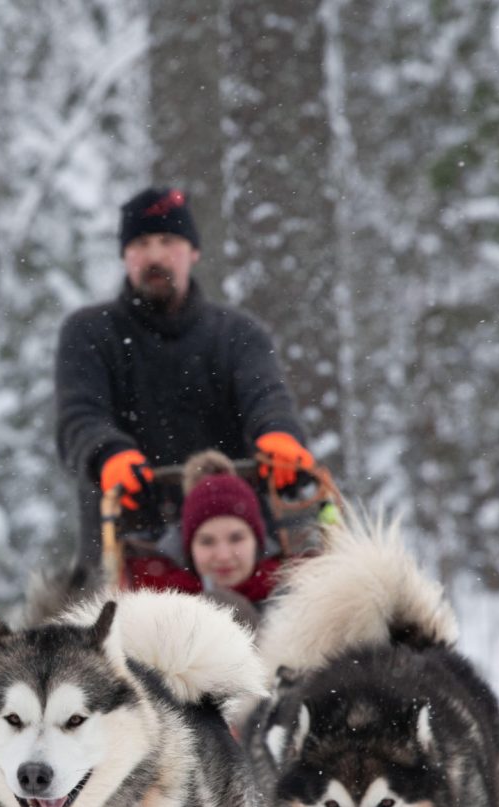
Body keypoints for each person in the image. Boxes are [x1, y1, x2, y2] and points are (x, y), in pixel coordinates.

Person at [54, 184, 315, 567]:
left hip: (239, 552)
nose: (155, 255)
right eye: (141, 243)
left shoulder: (239, 334)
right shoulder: (89, 333)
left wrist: (278, 435)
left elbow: (266, 396)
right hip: (129, 550)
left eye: (168, 241)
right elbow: (79, 417)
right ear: (125, 255)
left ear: (194, 252)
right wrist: (108, 454)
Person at [127, 451, 282, 627]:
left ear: (258, 542)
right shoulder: (158, 610)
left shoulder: (291, 599)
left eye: (236, 538)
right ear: (189, 549)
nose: (223, 556)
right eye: (207, 542)